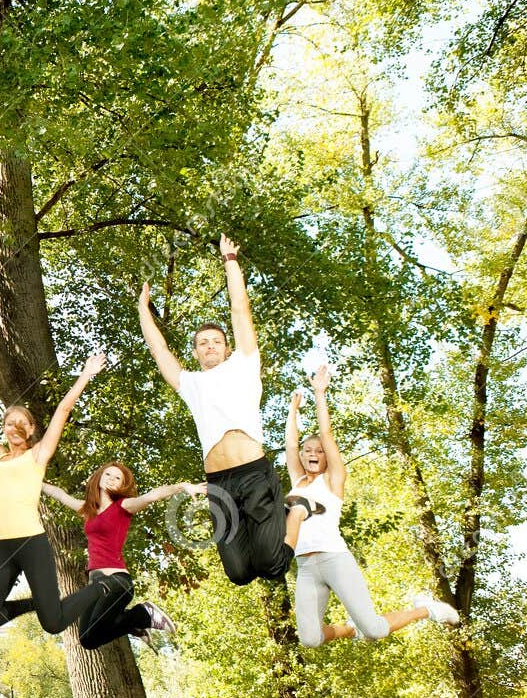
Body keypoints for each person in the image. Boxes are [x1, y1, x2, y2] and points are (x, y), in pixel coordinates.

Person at [138, 234, 317, 586]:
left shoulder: (244, 364)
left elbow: (240, 308)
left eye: (215, 341)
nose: (209, 346)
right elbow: (159, 350)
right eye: (202, 343)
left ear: (227, 346)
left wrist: (230, 260)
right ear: (195, 352)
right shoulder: (190, 384)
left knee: (271, 563)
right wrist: (144, 309)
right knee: (238, 574)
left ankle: (295, 511)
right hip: (218, 484)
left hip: (253, 474)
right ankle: (276, 519)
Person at [285, 364, 460, 646]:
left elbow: (326, 435)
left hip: (334, 558)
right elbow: (291, 445)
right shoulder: (297, 481)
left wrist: (319, 394)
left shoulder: (332, 481)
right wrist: (293, 410)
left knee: (376, 629)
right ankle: (352, 630)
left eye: (319, 451)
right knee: (310, 639)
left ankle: (426, 609)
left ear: (327, 457)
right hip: (305, 565)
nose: (313, 453)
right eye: (308, 451)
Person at [0, 356, 107, 636]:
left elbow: (63, 410)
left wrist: (86, 374)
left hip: (31, 544)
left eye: (20, 423)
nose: (13, 428)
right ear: (4, 428)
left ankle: (101, 587)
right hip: (0, 548)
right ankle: (31, 605)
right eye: (8, 423)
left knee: (53, 624)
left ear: (30, 429)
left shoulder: (37, 455)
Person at [40, 467, 200, 647]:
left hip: (116, 581)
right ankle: (131, 624)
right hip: (96, 583)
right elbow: (59, 494)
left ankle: (143, 614)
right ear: (99, 478)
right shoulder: (87, 509)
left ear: (121, 485)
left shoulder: (123, 506)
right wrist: (30, 482)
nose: (111, 479)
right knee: (87, 640)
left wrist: (183, 486)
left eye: (117, 478)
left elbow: (151, 496)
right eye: (107, 474)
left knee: (91, 627)